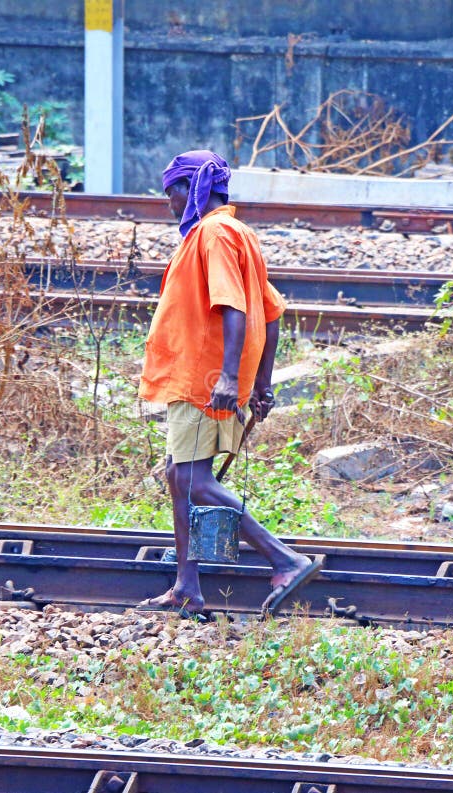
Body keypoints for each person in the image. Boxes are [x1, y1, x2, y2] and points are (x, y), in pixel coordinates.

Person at [137, 149, 323, 619]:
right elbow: (273, 313)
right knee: (179, 476)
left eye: (172, 192)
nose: (169, 203)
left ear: (191, 188)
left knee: (194, 480)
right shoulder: (238, 232)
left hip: (201, 378)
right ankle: (186, 587)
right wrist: (261, 383)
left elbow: (234, 308)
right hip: (205, 377)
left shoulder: (213, 232)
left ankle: (284, 560)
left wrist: (226, 376)